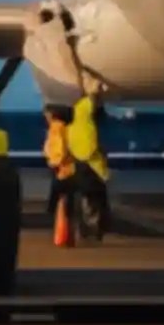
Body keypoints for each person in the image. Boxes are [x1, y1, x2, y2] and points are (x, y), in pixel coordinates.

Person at [67, 81, 111, 241]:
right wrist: (96, 91)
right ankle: (96, 229)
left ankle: (87, 230)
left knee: (86, 199)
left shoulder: (73, 124)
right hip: (91, 165)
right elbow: (92, 147)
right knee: (95, 200)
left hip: (81, 164)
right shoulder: (85, 120)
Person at [42, 104, 75, 215]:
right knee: (64, 188)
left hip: (60, 164)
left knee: (59, 187)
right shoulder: (61, 127)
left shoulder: (56, 128)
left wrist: (56, 161)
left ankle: (55, 210)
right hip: (62, 163)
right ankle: (61, 209)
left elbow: (60, 146)